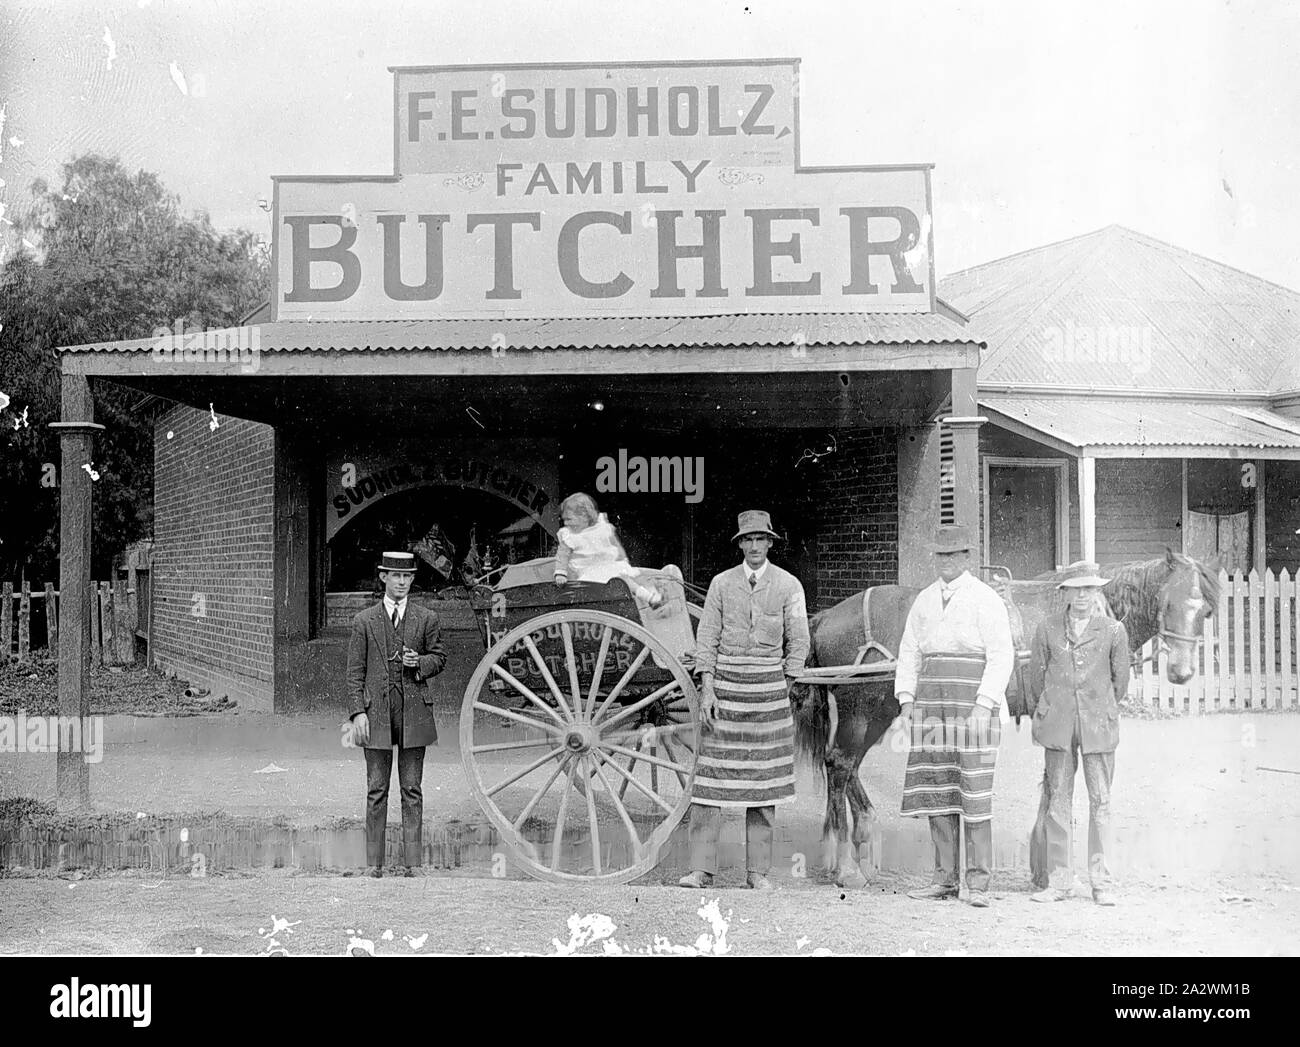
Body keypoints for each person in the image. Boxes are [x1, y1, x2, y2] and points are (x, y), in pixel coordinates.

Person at [679, 509, 809, 890]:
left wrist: (784, 682)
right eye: (747, 540)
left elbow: (798, 640)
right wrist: (707, 688)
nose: (754, 547)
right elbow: (708, 638)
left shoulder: (788, 586)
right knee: (709, 785)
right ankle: (701, 870)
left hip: (768, 692)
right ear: (740, 545)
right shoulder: (722, 584)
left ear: (770, 543)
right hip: (726, 691)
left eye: (760, 539)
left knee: (763, 785)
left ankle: (757, 874)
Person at [894, 525, 1014, 907]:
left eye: (954, 555)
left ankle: (977, 883)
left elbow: (1001, 655)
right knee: (939, 789)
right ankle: (944, 879)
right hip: (932, 706)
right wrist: (907, 700)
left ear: (966, 558)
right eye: (940, 555)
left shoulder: (985, 599)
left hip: (972, 705)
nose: (946, 562)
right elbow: (910, 651)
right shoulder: (925, 601)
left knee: (973, 792)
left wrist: (984, 704)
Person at [1028, 562, 1128, 906]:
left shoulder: (1113, 630)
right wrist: (1053, 710)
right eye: (1076, 589)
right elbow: (1036, 679)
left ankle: (1101, 883)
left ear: (1096, 592)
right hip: (1058, 726)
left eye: (1089, 589)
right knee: (1058, 802)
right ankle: (1059, 881)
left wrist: (1095, 709)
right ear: (1065, 593)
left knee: (1101, 802)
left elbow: (1120, 683)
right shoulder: (1047, 629)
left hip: (1098, 727)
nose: (1083, 596)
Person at [346, 551, 447, 878]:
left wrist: (419, 663)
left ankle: (412, 864)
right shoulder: (364, 621)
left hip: (414, 712)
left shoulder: (426, 618)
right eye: (395, 576)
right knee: (376, 789)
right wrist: (356, 713)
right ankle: (374, 863)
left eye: (407, 577)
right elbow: (354, 674)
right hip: (374, 714)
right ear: (383, 577)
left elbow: (439, 658)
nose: (402, 582)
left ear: (412, 579)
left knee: (411, 789)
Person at [553, 492, 662, 607]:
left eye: (569, 519)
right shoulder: (569, 535)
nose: (565, 523)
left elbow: (615, 545)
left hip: (608, 565)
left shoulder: (601, 528)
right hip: (588, 571)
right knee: (598, 588)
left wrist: (622, 560)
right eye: (564, 519)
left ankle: (648, 597)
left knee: (627, 580)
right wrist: (560, 574)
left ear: (584, 516)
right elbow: (562, 555)